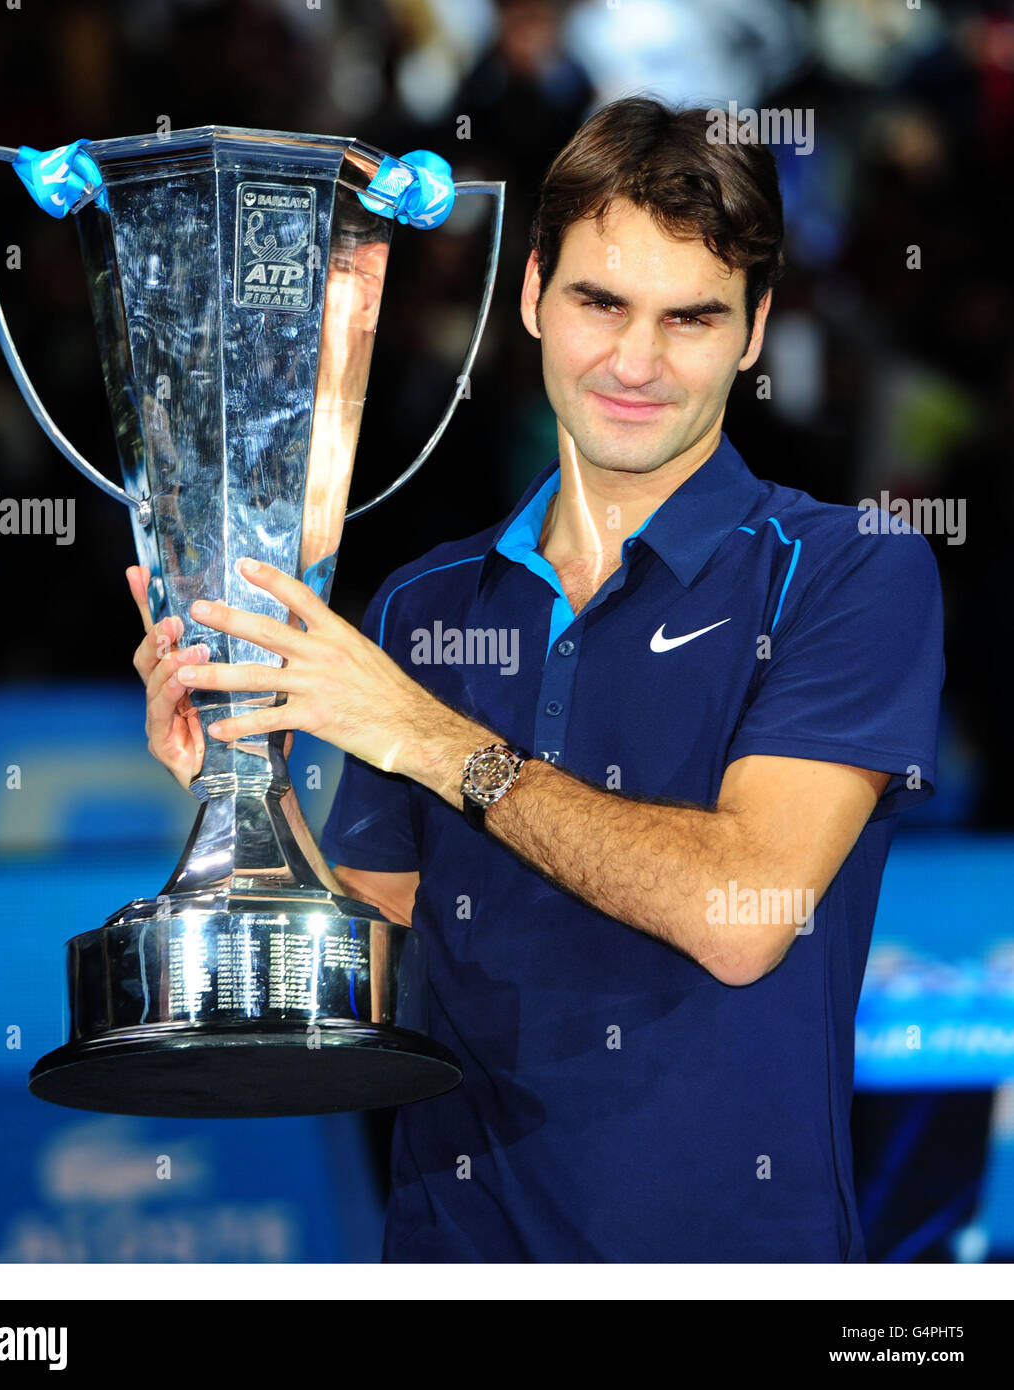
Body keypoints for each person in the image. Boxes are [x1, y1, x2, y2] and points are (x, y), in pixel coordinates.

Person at [128, 96, 944, 1262]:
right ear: (531, 296)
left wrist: (431, 738)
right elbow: (374, 977)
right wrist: (238, 792)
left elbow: (742, 914)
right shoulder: (421, 605)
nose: (635, 362)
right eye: (599, 302)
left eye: (691, 317)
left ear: (755, 331)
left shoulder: (848, 571)